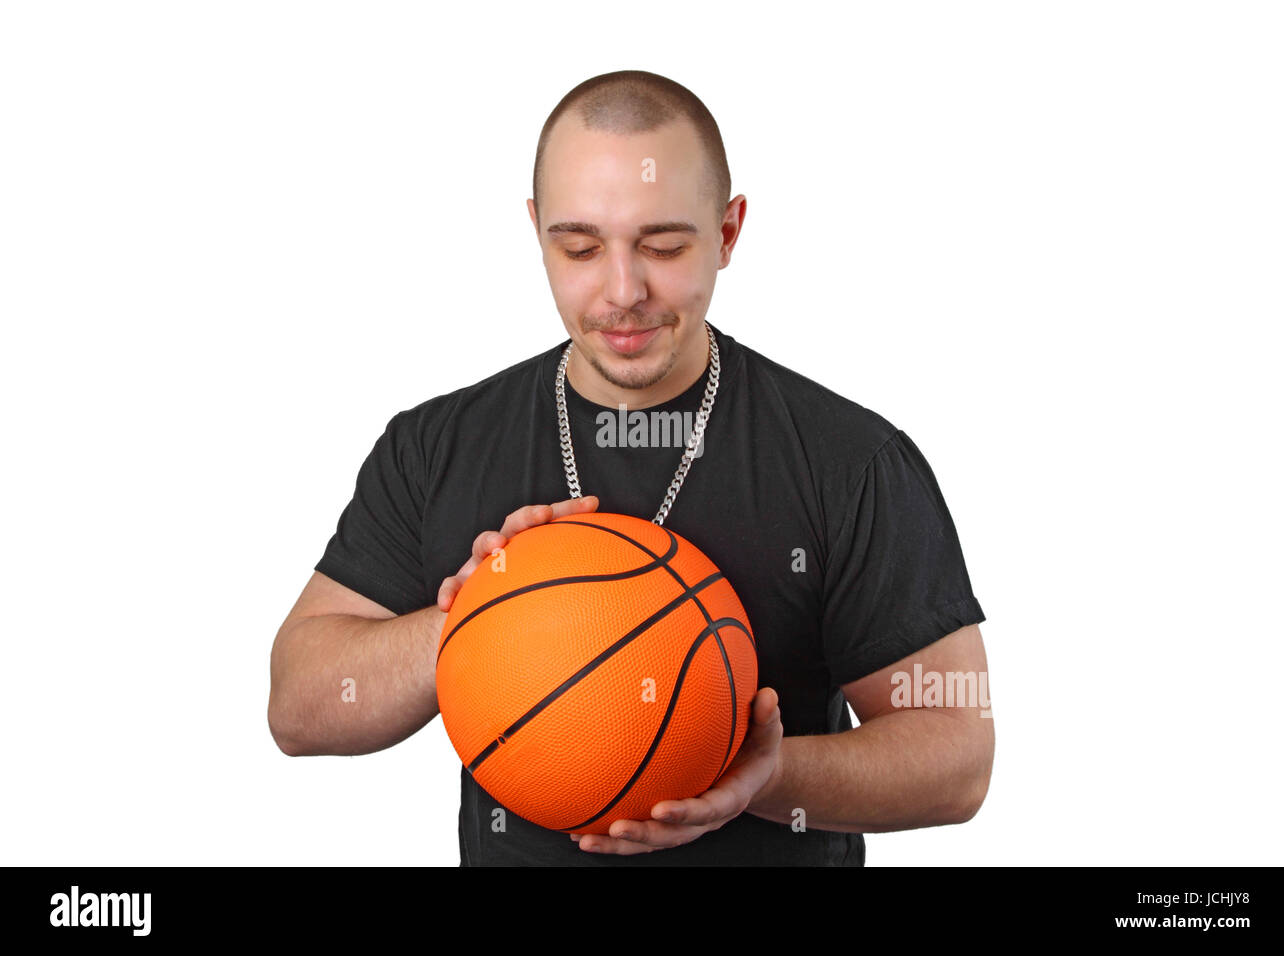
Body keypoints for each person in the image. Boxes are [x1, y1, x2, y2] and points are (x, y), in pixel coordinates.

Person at [268, 70, 994, 866]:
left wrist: (765, 776)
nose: (623, 291)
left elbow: (957, 761)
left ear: (728, 232)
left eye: (664, 245)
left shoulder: (848, 460)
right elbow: (300, 708)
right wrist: (479, 619)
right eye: (579, 246)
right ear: (537, 229)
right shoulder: (435, 444)